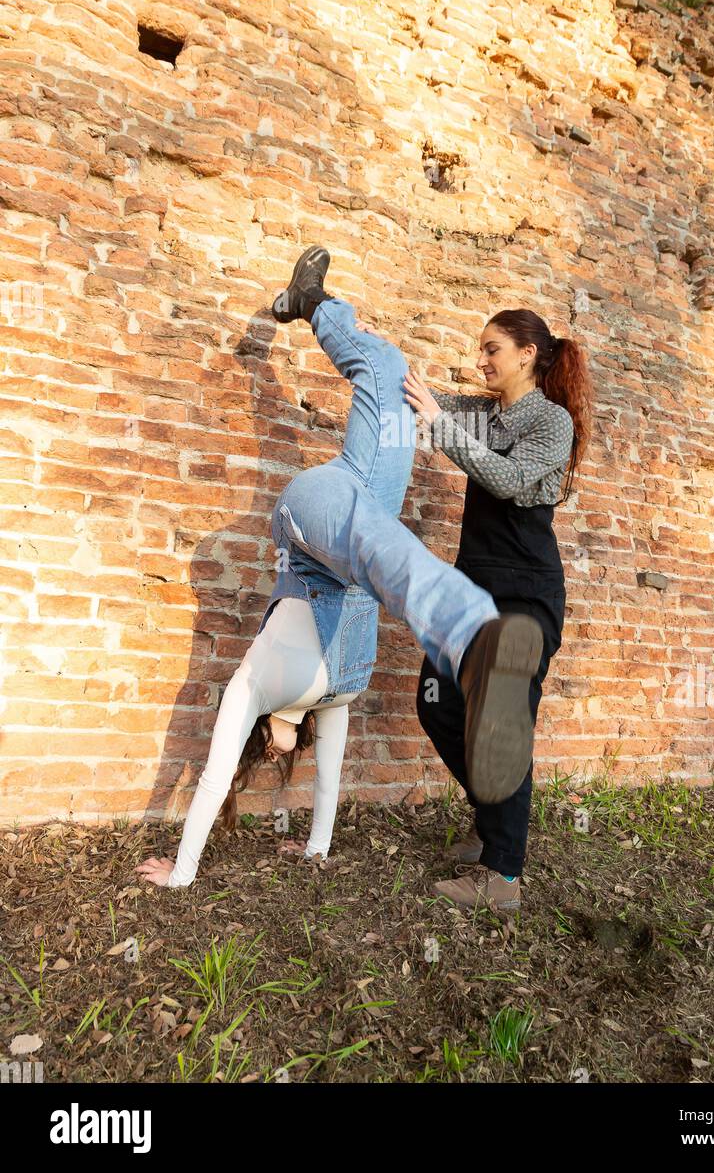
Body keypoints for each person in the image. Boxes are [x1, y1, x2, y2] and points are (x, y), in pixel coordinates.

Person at [136, 248, 546, 889]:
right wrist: (313, 851)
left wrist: (183, 870)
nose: (279, 753)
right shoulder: (336, 696)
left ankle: (311, 305)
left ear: (264, 744)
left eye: (269, 752)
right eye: (282, 754)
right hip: (359, 513)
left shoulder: (256, 688)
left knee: (369, 515)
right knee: (387, 373)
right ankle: (469, 626)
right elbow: (324, 798)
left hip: (308, 520)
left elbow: (216, 774)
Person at [397, 306, 593, 912]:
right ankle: (493, 819)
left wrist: (440, 424)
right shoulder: (482, 412)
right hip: (472, 590)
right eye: (480, 351)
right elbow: (423, 400)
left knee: (502, 724)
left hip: (525, 594)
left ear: (527, 354)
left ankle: (502, 874)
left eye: (492, 350)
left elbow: (509, 480)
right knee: (437, 704)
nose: (480, 361)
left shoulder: (550, 423)